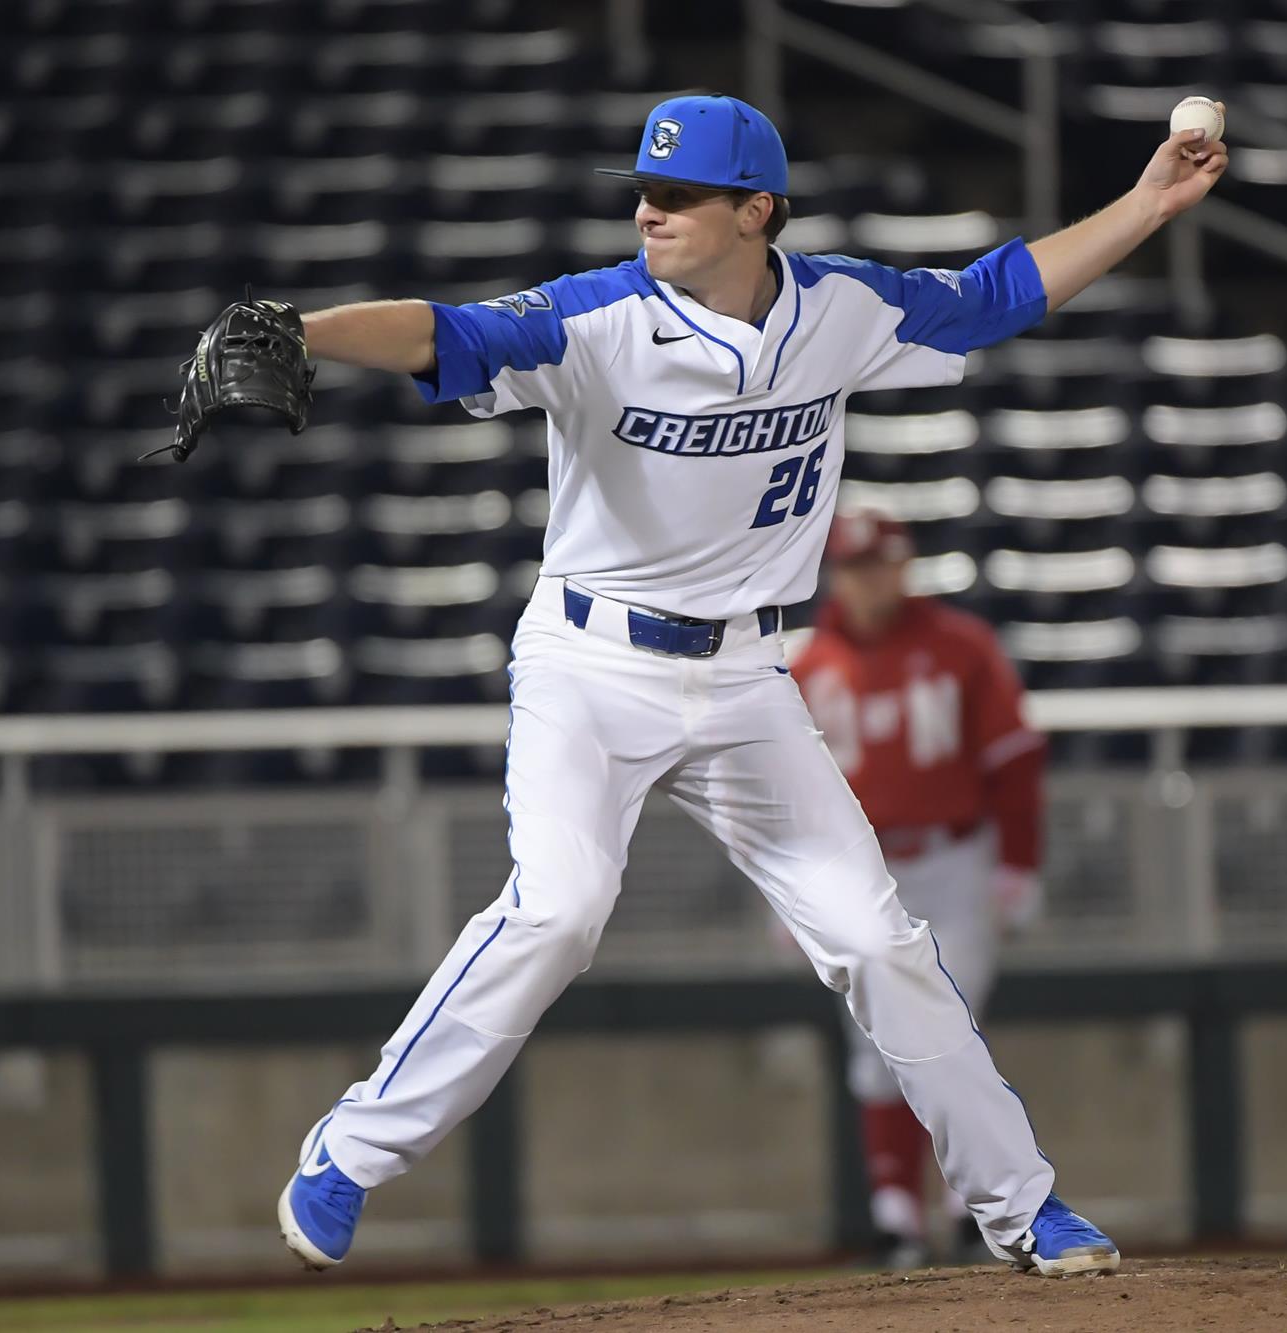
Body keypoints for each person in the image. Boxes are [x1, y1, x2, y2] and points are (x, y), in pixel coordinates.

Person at [273, 92, 1226, 1277]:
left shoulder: (839, 309)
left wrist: (1145, 203)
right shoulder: (596, 317)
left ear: (755, 211)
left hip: (745, 676)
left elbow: (995, 297)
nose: (648, 212)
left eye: (677, 195)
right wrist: (304, 333)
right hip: (589, 662)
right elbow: (442, 332)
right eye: (644, 190)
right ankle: (349, 1152)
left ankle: (1022, 1207)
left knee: (878, 941)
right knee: (560, 908)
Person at [791, 509, 1046, 1268]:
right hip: (858, 869)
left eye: (880, 563)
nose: (870, 580)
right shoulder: (806, 663)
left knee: (953, 1024)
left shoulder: (960, 645)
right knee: (875, 1037)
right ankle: (895, 1211)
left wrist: (1018, 862)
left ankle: (970, 1206)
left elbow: (1013, 758)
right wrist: (790, 887)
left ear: (903, 566)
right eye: (856, 567)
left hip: (954, 855)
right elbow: (783, 797)